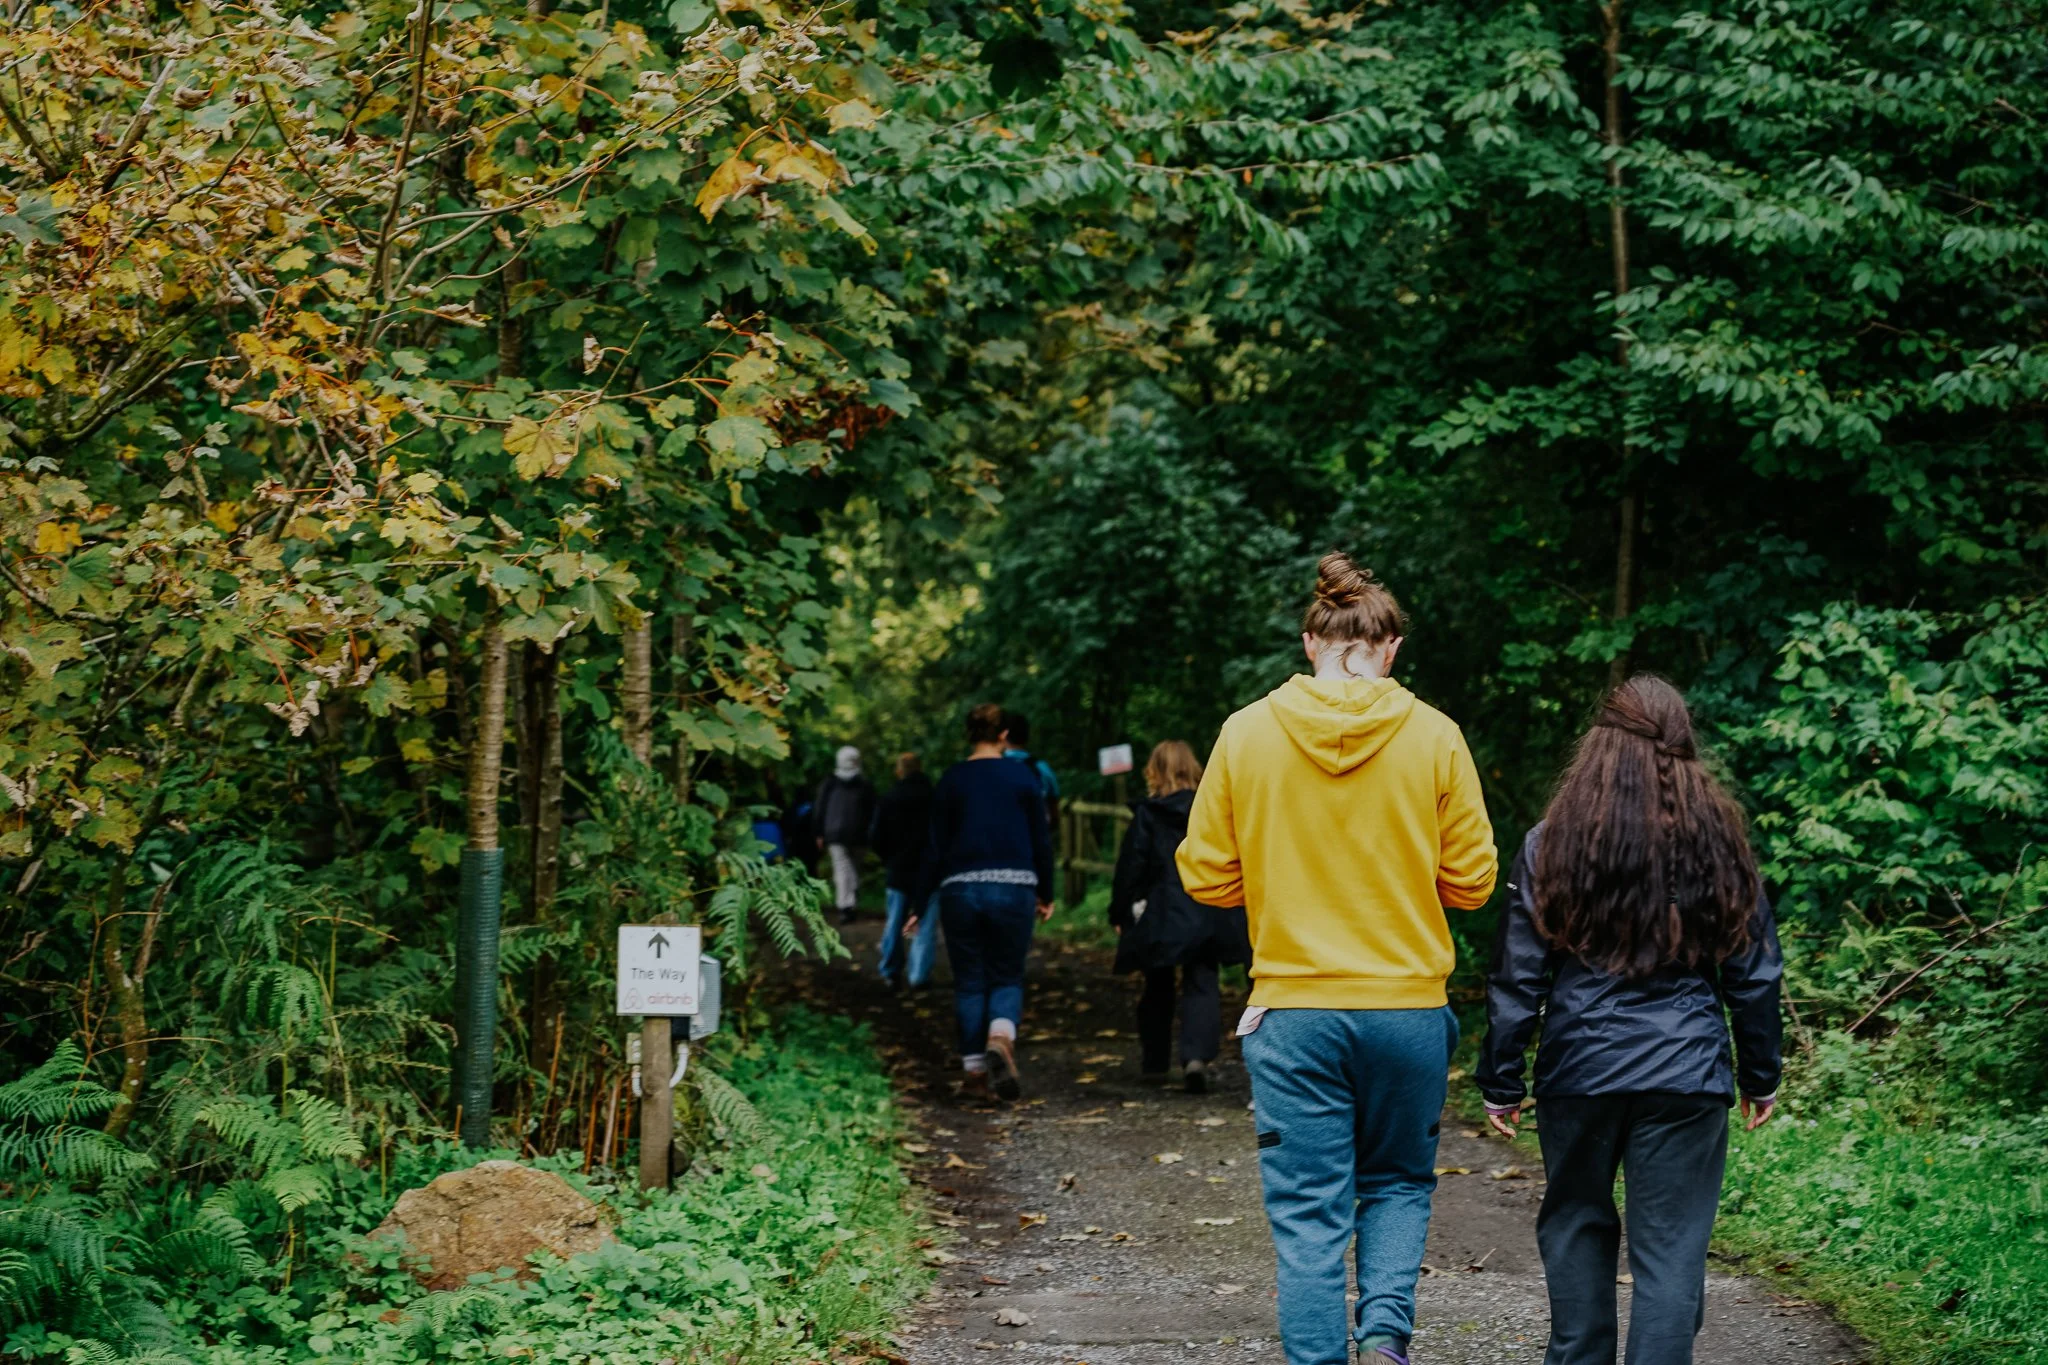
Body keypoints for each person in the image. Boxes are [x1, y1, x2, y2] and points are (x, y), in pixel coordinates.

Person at [1177, 552, 1498, 1365]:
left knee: (1308, 1209)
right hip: (1409, 1010)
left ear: (1309, 639)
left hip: (1294, 1010)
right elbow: (1472, 882)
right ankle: (1385, 1337)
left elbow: (1205, 875)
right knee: (1396, 1180)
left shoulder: (1245, 733)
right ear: (1389, 648)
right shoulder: (1435, 736)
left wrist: (1279, 869)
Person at [1477, 675, 1783, 1365]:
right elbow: (1755, 974)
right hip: (1687, 1073)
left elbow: (1518, 974)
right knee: (1671, 1251)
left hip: (1579, 1070)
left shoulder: (1550, 841)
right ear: (1683, 740)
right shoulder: (1721, 844)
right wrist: (1761, 1075)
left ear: (1598, 743)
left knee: (1577, 1224)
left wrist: (1502, 1078)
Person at [915, 702, 1056, 1099]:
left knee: (970, 982)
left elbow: (934, 847)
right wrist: (1047, 891)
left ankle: (974, 1076)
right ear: (1004, 736)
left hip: (960, 889)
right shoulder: (1024, 777)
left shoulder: (952, 779)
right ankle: (1000, 1035)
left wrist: (917, 902)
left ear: (969, 734)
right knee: (1007, 975)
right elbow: (1040, 841)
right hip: (1014, 888)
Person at [1108, 739, 1249, 1093]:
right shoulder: (1212, 808)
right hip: (1208, 908)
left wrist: (1120, 910)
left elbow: (1132, 867)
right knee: (1202, 982)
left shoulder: (1147, 814)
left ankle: (1155, 1063)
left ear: (1154, 771)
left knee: (1157, 985)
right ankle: (1196, 1058)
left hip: (1163, 913)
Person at [870, 751, 940, 988]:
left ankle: (891, 970)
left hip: (899, 868)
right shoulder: (934, 797)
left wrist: (888, 857)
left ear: (899, 771)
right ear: (920, 769)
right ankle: (919, 974)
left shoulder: (890, 797)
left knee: (895, 921)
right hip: (929, 869)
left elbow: (875, 836)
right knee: (927, 924)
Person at [813, 745, 876, 925]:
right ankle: (849, 902)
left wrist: (819, 832)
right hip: (857, 834)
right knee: (850, 868)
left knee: (843, 869)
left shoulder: (829, 784)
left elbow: (820, 809)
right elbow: (873, 810)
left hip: (835, 833)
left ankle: (845, 904)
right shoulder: (864, 785)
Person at [1000, 711, 1061, 830]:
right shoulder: (1041, 768)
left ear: (1003, 737)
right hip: (1035, 839)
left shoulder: (993, 768)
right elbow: (1054, 809)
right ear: (1028, 737)